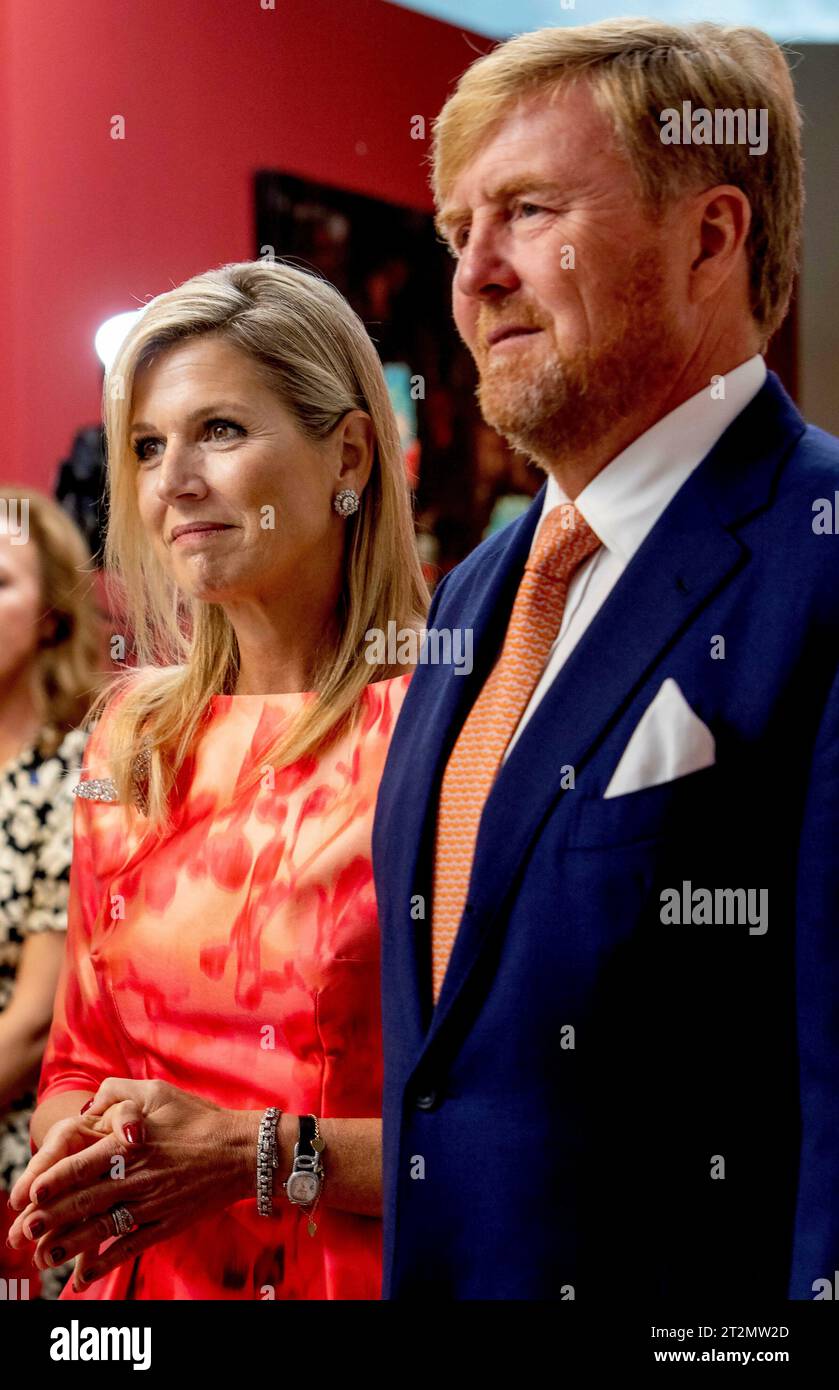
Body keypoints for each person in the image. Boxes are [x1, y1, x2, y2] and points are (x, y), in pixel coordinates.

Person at [372, 19, 839, 1299]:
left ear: (708, 236)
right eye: (458, 231)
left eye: (525, 211)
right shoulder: (473, 589)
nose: (473, 276)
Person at [7, 260, 428, 1300]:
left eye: (222, 432)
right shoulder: (130, 739)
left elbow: (511, 1130)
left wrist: (251, 1153)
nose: (173, 482)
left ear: (348, 454)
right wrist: (83, 1151)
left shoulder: (443, 726)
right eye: (148, 447)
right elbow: (74, 1060)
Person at [0, 488, 102, 1298]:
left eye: (0, 580)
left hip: (20, 1169)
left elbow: (34, 1025)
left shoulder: (70, 775)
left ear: (50, 616)